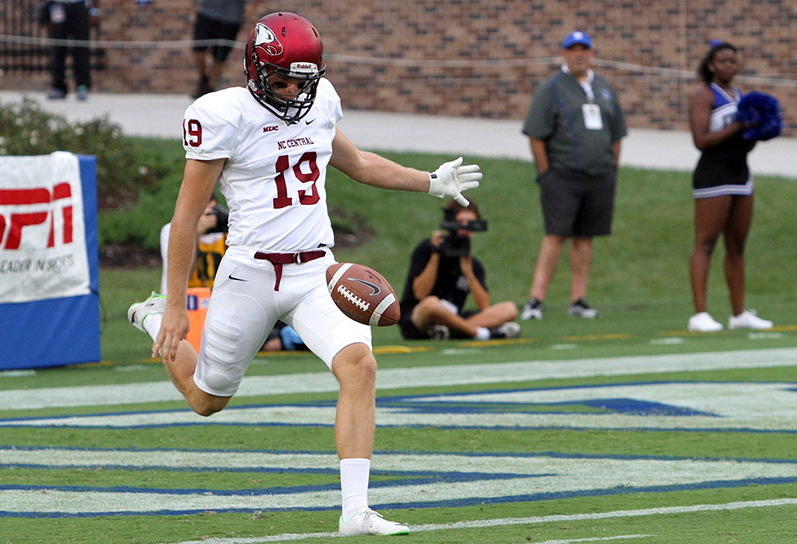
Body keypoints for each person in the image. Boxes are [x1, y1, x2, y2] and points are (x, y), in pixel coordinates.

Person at [127, 12, 481, 535]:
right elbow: (185, 217)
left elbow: (357, 163)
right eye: (282, 78)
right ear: (255, 67)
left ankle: (356, 512)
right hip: (249, 274)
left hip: (317, 270)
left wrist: (428, 181)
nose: (293, 89)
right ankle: (155, 322)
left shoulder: (319, 103)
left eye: (303, 79)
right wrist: (176, 304)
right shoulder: (223, 114)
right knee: (208, 400)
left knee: (360, 366)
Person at [520, 30, 627, 321]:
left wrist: (612, 168)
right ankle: (536, 300)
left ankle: (578, 299)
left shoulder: (604, 87)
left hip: (600, 176)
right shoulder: (551, 88)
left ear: (592, 53)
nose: (579, 54)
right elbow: (536, 134)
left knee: (585, 237)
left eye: (584, 49)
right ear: (565, 54)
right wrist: (547, 174)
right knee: (555, 235)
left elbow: (617, 133)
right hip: (563, 175)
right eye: (573, 49)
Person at [686, 41, 773, 332]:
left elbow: (742, 144)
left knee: (737, 246)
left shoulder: (740, 95)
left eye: (733, 62)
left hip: (740, 174)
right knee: (706, 242)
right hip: (713, 175)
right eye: (723, 61)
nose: (729, 66)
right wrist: (738, 126)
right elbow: (700, 140)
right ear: (711, 64)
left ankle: (739, 314)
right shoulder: (704, 96)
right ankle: (700, 314)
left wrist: (758, 132)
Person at [158, 195, 299, 351]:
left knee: (274, 342)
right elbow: (185, 275)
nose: (210, 217)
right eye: (205, 212)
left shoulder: (229, 233)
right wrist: (195, 234)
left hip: (225, 304)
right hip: (191, 306)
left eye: (213, 211)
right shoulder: (173, 232)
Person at [398, 200, 520, 341]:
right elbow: (420, 294)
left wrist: (468, 272)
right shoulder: (427, 249)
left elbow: (484, 306)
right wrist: (436, 255)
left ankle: (453, 330)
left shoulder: (473, 264)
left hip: (452, 317)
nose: (465, 227)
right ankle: (481, 333)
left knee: (509, 308)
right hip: (419, 316)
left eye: (471, 223)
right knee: (431, 303)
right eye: (461, 221)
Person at [191, 0, 262, 98]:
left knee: (220, 57)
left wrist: (251, 9)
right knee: (199, 50)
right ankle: (204, 79)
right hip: (206, 13)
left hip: (231, 19)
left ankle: (210, 87)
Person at [45, 0, 98, 100]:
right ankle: (58, 87)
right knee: (58, 50)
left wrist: (94, 11)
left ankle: (82, 86)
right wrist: (46, 13)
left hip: (80, 6)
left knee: (81, 50)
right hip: (58, 6)